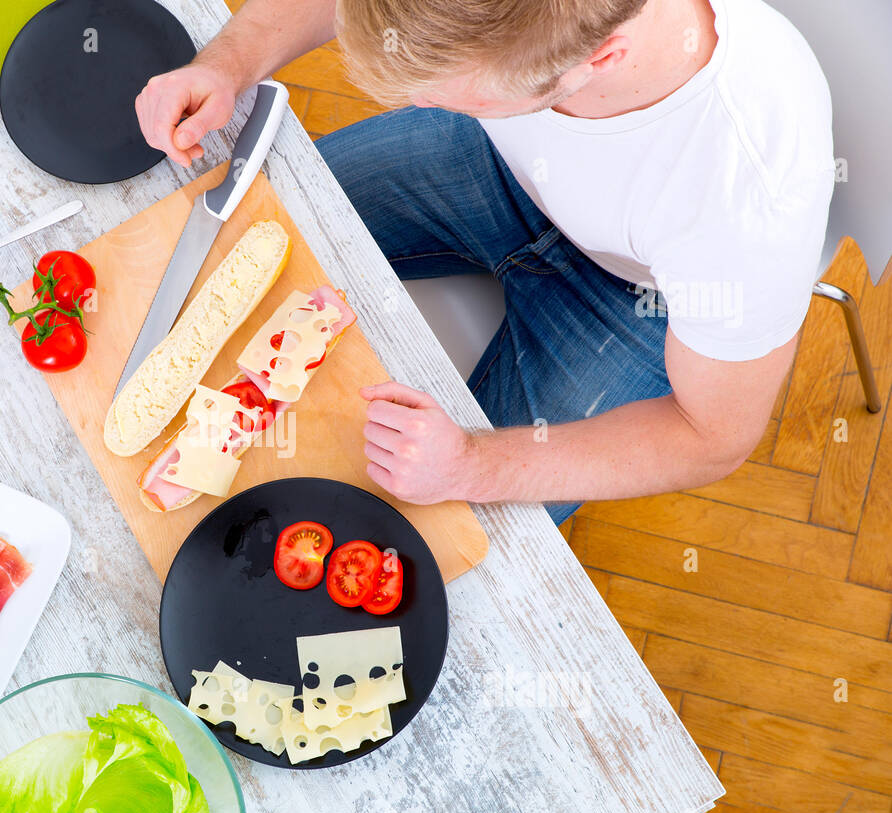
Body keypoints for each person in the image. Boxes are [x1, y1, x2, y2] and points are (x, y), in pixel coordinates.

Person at [134, 0, 834, 523]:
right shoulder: (529, 54)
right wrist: (227, 62)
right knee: (239, 239)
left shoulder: (744, 197)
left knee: (427, 530)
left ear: (600, 60)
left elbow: (709, 437)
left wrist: (471, 464)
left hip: (633, 302)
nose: (416, 100)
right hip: (495, 160)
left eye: (440, 86)